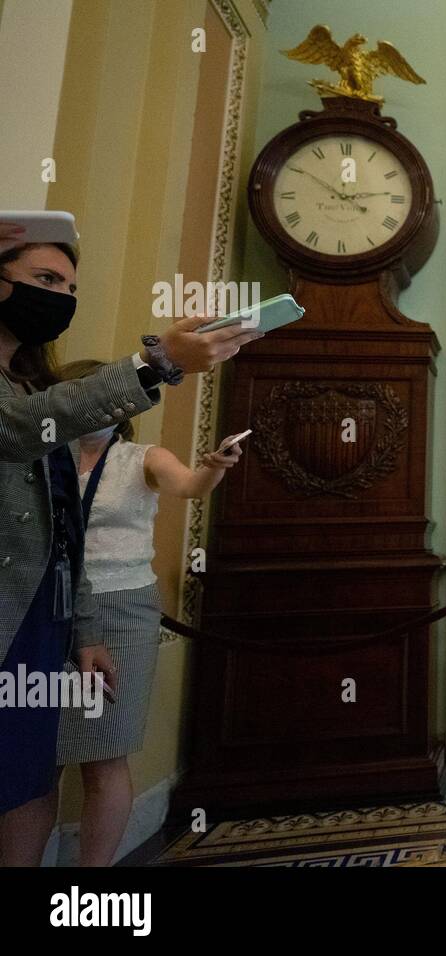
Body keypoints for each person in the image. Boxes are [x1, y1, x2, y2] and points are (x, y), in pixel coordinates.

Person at [0, 222, 259, 866]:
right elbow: (23, 428)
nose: (61, 297)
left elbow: (64, 539)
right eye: (45, 280)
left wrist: (83, 630)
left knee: (32, 778)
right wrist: (158, 360)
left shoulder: (58, 408)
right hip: (14, 622)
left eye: (70, 286)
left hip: (55, 622)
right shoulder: (32, 413)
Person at [40, 359, 244, 865]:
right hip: (50, 608)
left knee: (105, 752)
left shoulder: (141, 458)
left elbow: (189, 485)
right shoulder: (43, 457)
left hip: (122, 607)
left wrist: (213, 468)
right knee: (40, 757)